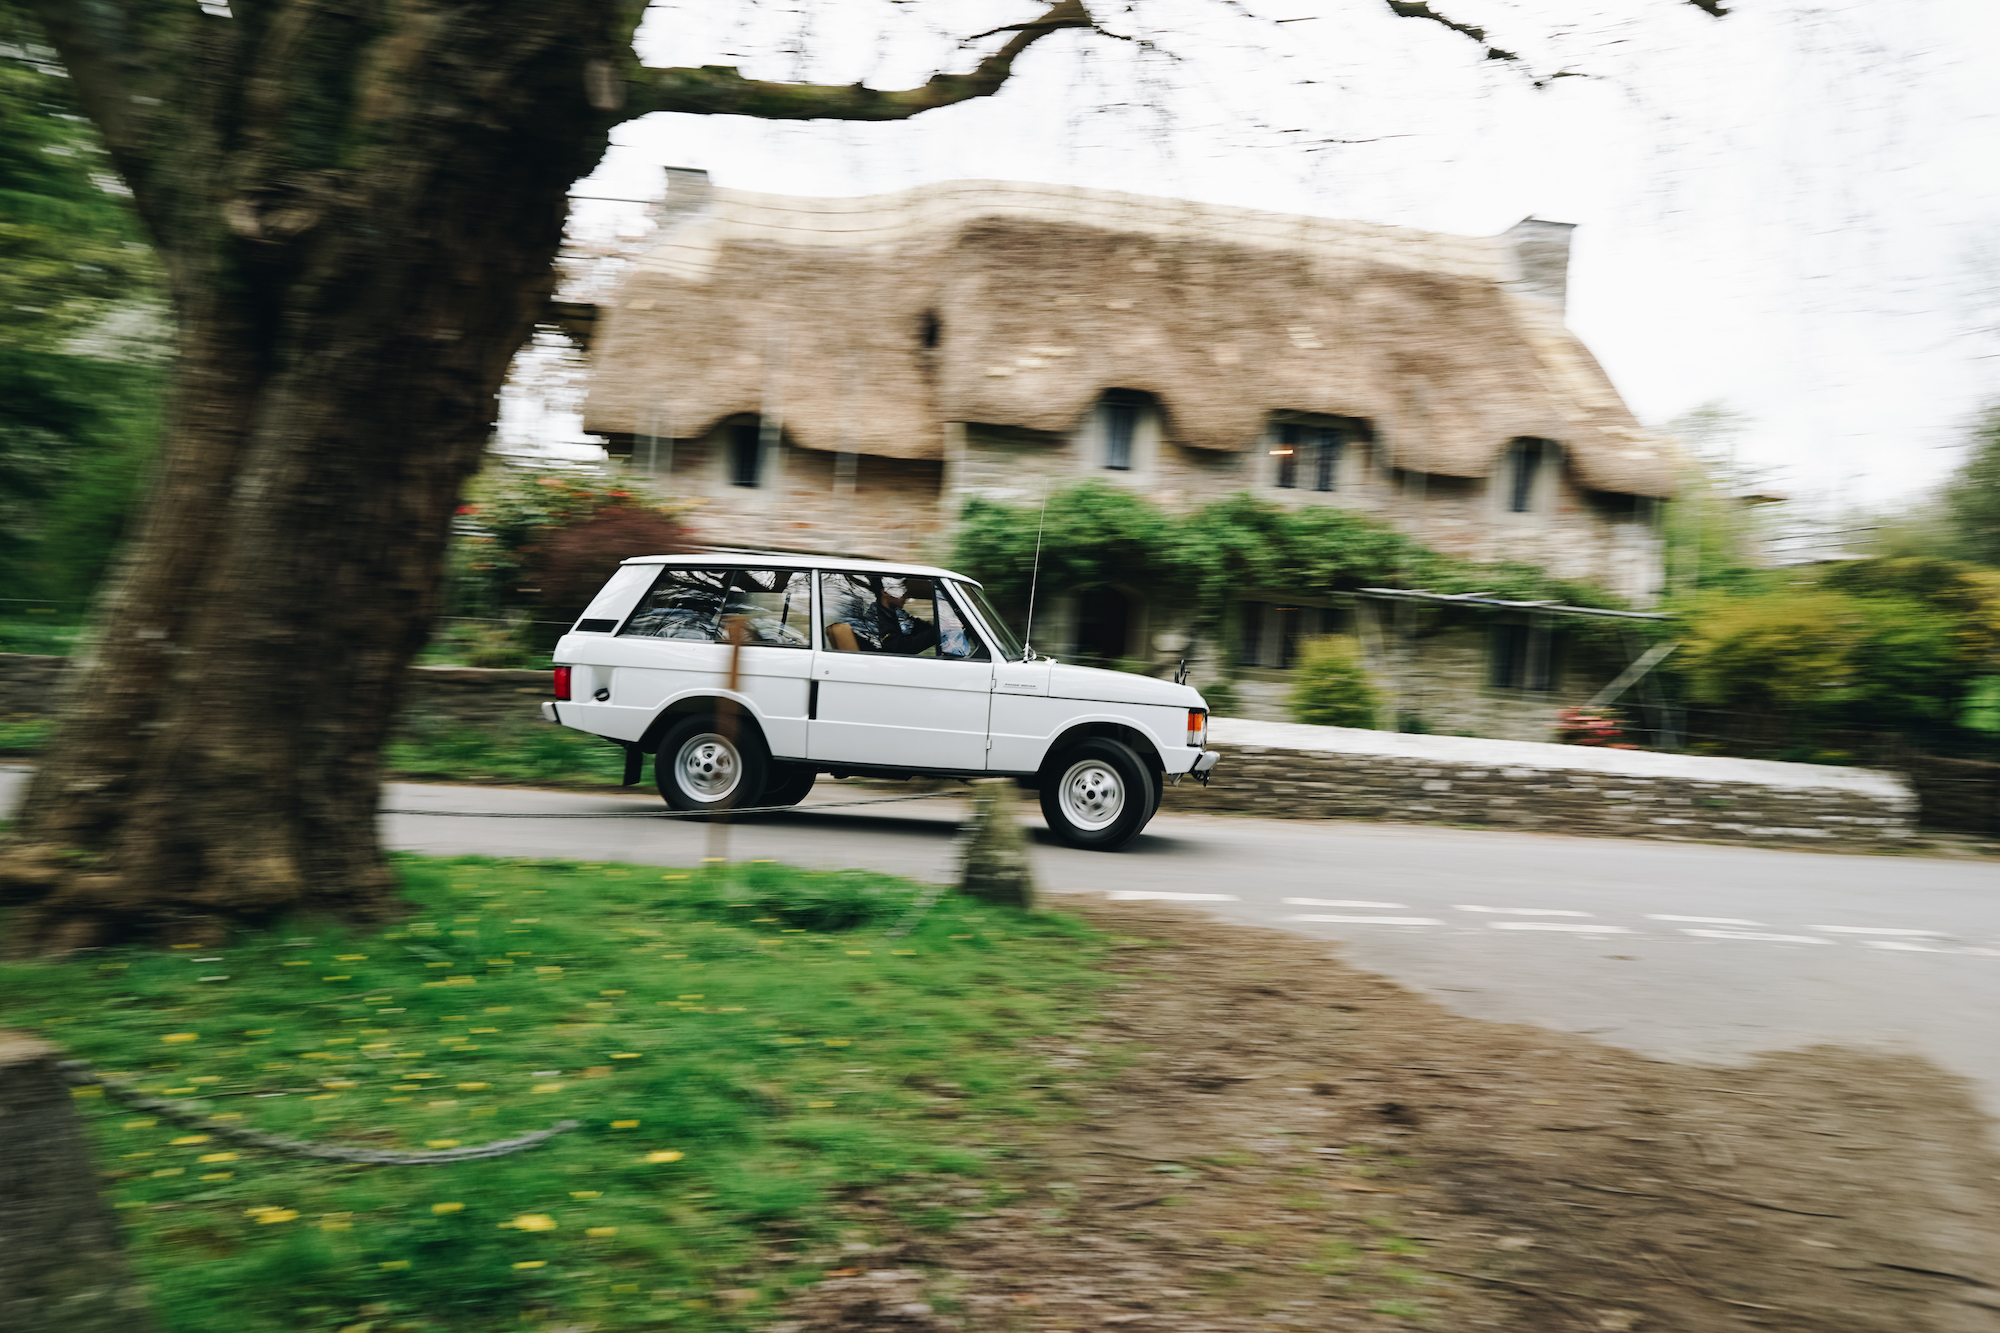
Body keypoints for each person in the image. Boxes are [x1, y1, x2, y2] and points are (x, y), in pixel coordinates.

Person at [824, 576, 939, 655]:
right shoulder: (876, 620)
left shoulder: (897, 616)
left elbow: (921, 627)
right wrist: (937, 633)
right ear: (885, 592)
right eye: (901, 589)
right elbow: (899, 649)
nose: (906, 595)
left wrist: (942, 629)